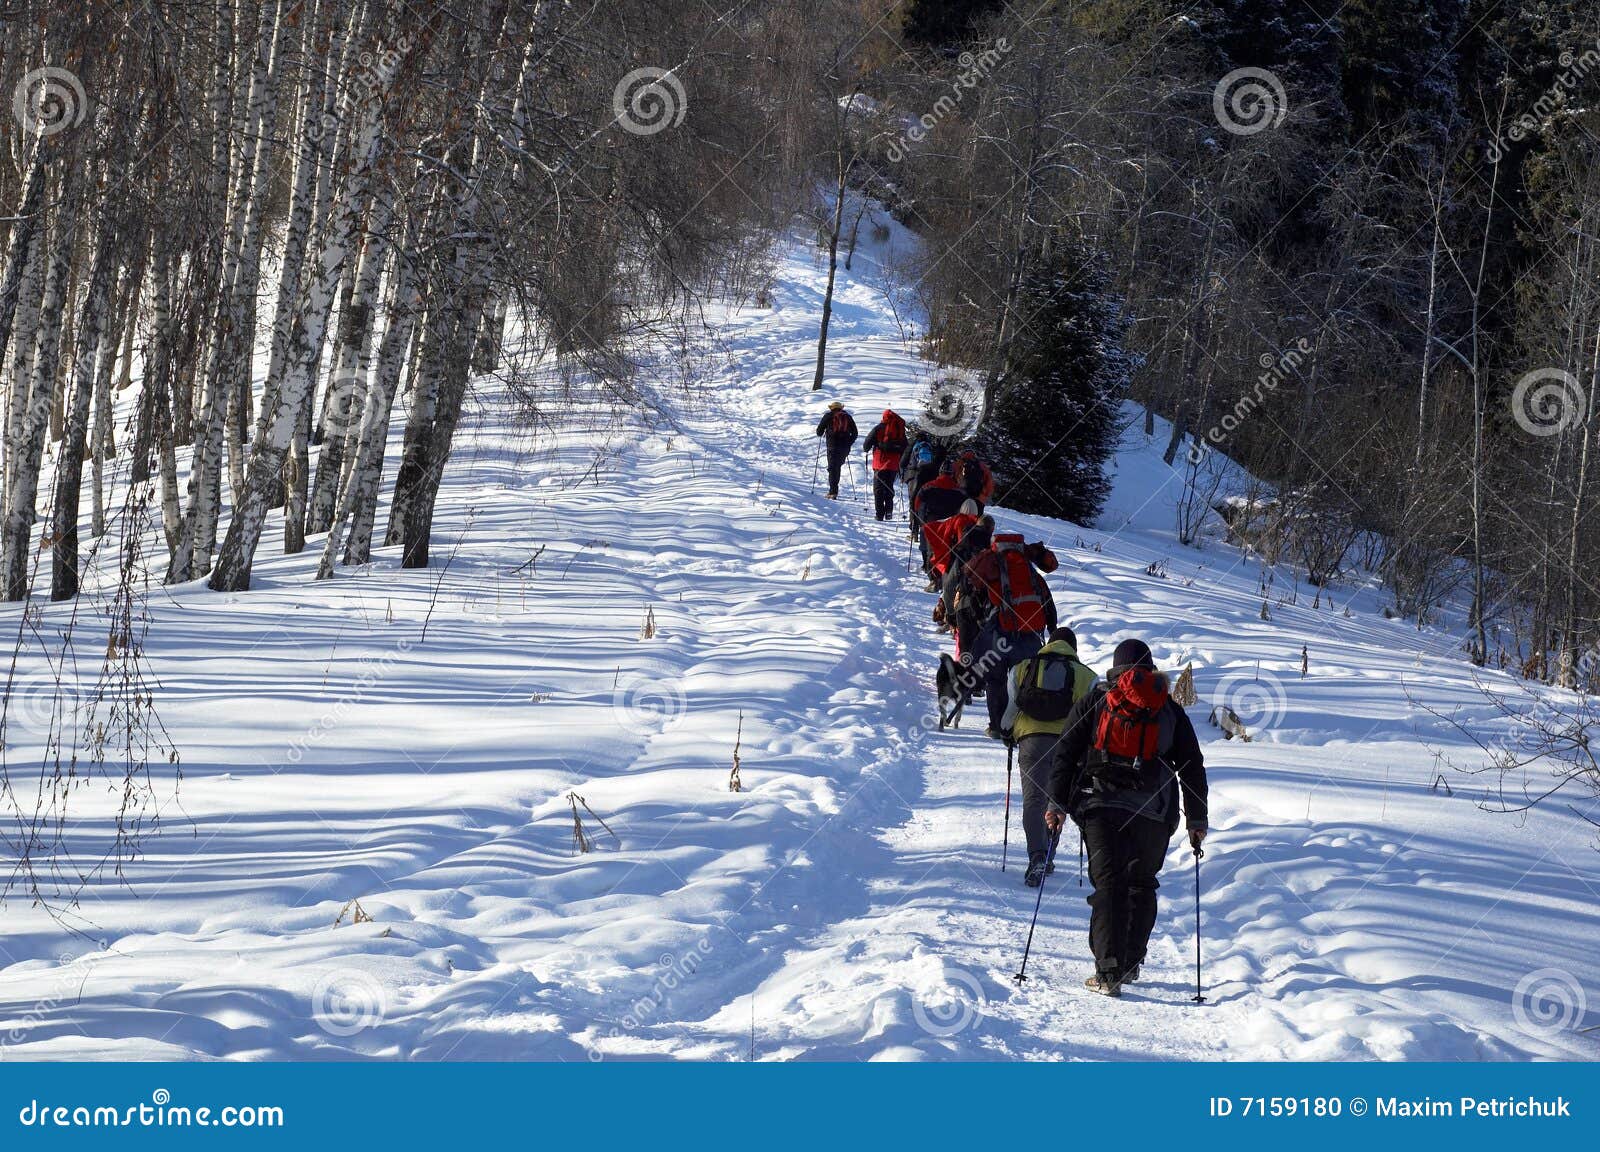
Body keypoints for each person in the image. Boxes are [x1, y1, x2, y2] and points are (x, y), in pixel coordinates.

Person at [1045, 638, 1208, 998]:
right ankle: (1130, 962)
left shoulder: (1097, 700)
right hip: (1154, 812)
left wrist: (1057, 802)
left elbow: (1066, 752)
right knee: (1142, 882)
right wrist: (1197, 818)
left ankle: (1108, 971)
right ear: (1151, 671)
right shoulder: (1168, 709)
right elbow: (1192, 766)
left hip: (1101, 806)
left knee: (1110, 885)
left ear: (1115, 670)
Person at [1001, 626, 1098, 887]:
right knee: (1056, 801)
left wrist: (1007, 731)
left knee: (1033, 800)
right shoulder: (1086, 676)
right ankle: (1050, 854)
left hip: (1030, 742)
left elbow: (1010, 709)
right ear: (1073, 648)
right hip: (1067, 745)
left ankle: (1037, 857)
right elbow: (1092, 719)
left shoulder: (1022, 668)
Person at [957, 532, 1057, 738]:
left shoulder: (991, 569)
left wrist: (977, 620)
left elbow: (969, 588)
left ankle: (997, 726)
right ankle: (1023, 727)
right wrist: (1053, 629)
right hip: (1031, 635)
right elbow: (1048, 603)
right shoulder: (1032, 575)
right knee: (1026, 679)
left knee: (996, 679)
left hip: (1001, 633)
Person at [862, 409, 908, 521]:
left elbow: (866, 445)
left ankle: (879, 514)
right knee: (889, 487)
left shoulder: (879, 428)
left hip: (880, 463)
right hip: (893, 464)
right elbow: (905, 446)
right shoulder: (899, 429)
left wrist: (870, 447)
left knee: (878, 489)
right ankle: (889, 512)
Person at [815, 402, 858, 499]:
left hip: (832, 446)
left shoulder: (828, 416)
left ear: (832, 408)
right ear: (841, 408)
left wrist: (824, 431)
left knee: (832, 468)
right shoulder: (848, 417)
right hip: (844, 448)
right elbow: (855, 433)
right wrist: (848, 443)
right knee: (837, 467)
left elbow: (819, 432)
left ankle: (833, 492)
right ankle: (834, 491)